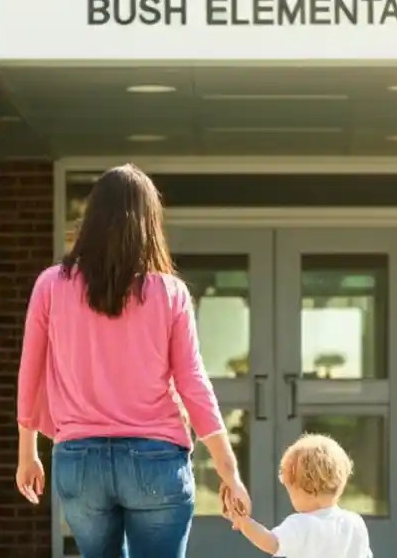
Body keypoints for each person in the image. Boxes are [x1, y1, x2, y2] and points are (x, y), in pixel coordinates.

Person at [15, 164, 250, 558]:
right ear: (148, 223)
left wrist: (28, 453)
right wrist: (229, 471)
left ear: (91, 219)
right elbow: (192, 382)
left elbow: (30, 371)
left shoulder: (51, 286)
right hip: (156, 459)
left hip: (79, 459)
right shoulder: (170, 293)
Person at [222, 434, 371, 558]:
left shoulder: (301, 524)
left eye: (290, 489)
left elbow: (271, 542)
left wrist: (243, 522)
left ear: (305, 488)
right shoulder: (355, 523)